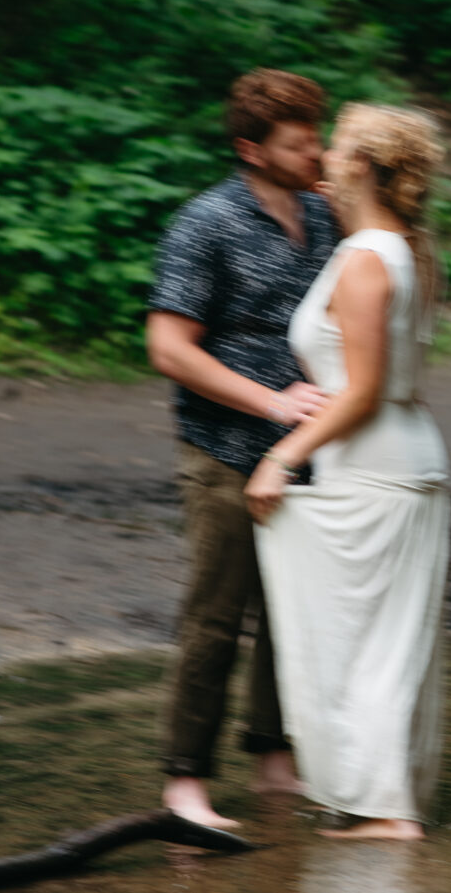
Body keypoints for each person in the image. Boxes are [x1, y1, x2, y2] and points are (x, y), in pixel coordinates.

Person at [245, 103, 451, 840]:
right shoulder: (404, 249)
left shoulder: (369, 259)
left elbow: (361, 390)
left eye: (334, 148)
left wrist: (280, 455)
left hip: (374, 471)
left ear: (361, 166)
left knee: (358, 643)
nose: (322, 158)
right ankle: (382, 800)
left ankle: (387, 813)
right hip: (397, 463)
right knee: (377, 643)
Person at [145, 68, 341, 829]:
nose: (315, 153)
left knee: (292, 613)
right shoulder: (205, 224)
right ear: (250, 149)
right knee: (215, 617)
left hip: (309, 454)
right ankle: (185, 780)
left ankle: (273, 756)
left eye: (316, 137)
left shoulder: (324, 218)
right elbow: (168, 347)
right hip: (224, 447)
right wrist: (270, 400)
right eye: (298, 144)